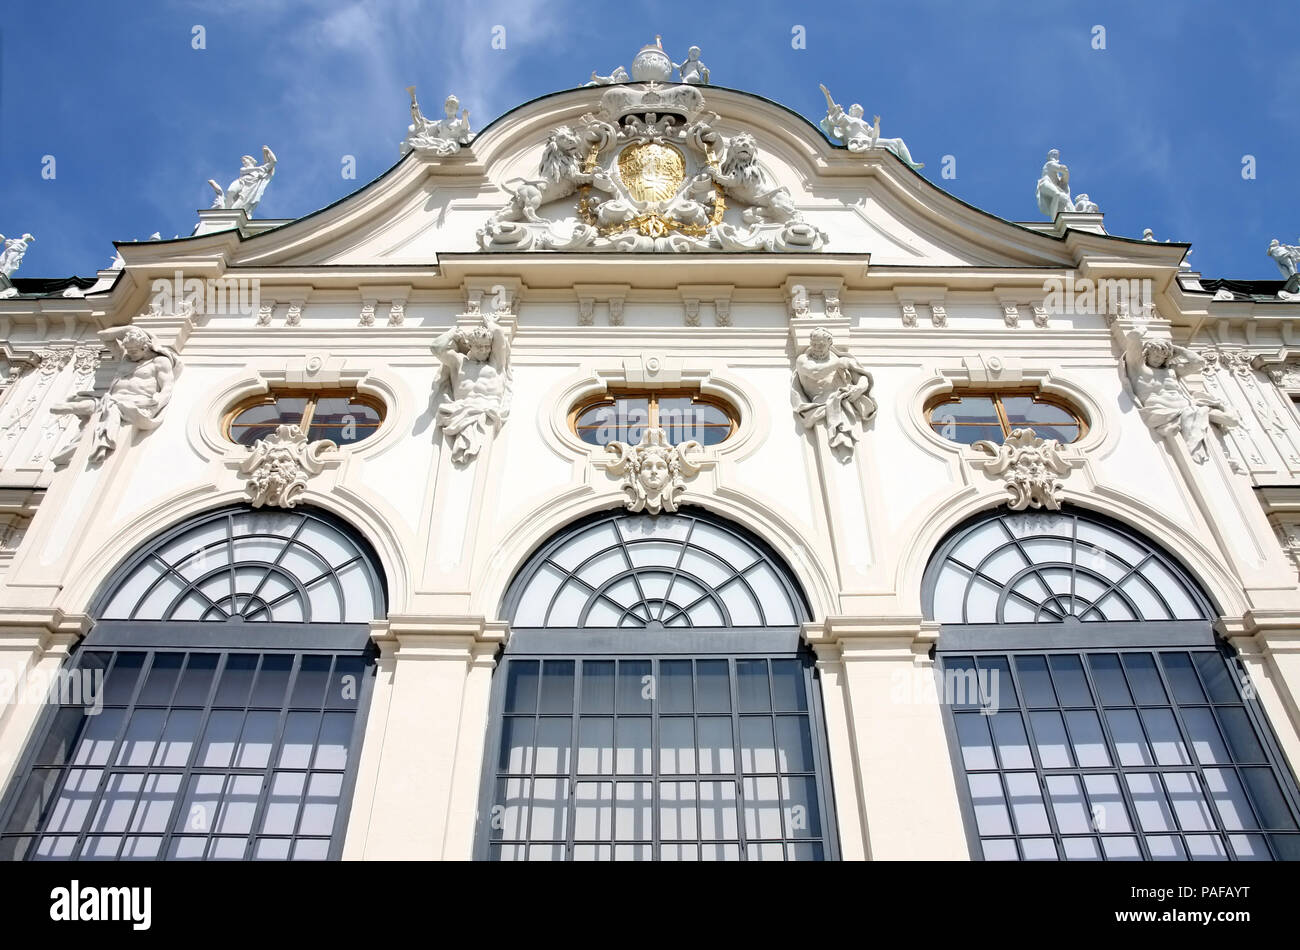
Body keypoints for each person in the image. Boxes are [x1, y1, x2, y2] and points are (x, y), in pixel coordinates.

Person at [51, 326, 181, 464]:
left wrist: (157, 403)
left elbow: (167, 386)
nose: (130, 354)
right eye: (128, 350)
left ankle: (96, 443)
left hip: (137, 402)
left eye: (134, 351)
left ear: (145, 347)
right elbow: (103, 335)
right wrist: (129, 328)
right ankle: (70, 409)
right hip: (112, 399)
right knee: (97, 404)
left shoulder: (160, 361)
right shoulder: (125, 357)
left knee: (108, 408)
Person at [1119, 327, 1237, 463]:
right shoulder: (1139, 370)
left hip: (1189, 408)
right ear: (1147, 353)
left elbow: (1199, 363)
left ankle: (1222, 408)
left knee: (1232, 420)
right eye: (1156, 356)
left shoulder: (1172, 371)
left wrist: (1177, 349)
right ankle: (1200, 457)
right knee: (1194, 429)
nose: (1159, 359)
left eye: (1162, 357)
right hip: (1162, 411)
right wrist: (1139, 334)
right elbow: (1133, 341)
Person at [432, 312, 512, 463]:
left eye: (487, 347)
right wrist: (452, 332)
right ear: (470, 346)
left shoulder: (496, 363)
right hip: (459, 411)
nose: (484, 350)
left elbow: (499, 334)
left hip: (489, 410)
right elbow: (436, 347)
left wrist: (490, 323)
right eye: (479, 347)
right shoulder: (459, 362)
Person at [791, 327, 877, 454]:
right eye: (814, 344)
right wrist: (837, 364)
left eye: (821, 345)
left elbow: (862, 377)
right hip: (820, 404)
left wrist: (859, 388)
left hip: (846, 399)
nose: (816, 348)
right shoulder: (803, 359)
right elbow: (815, 372)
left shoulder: (838, 358)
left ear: (829, 344)